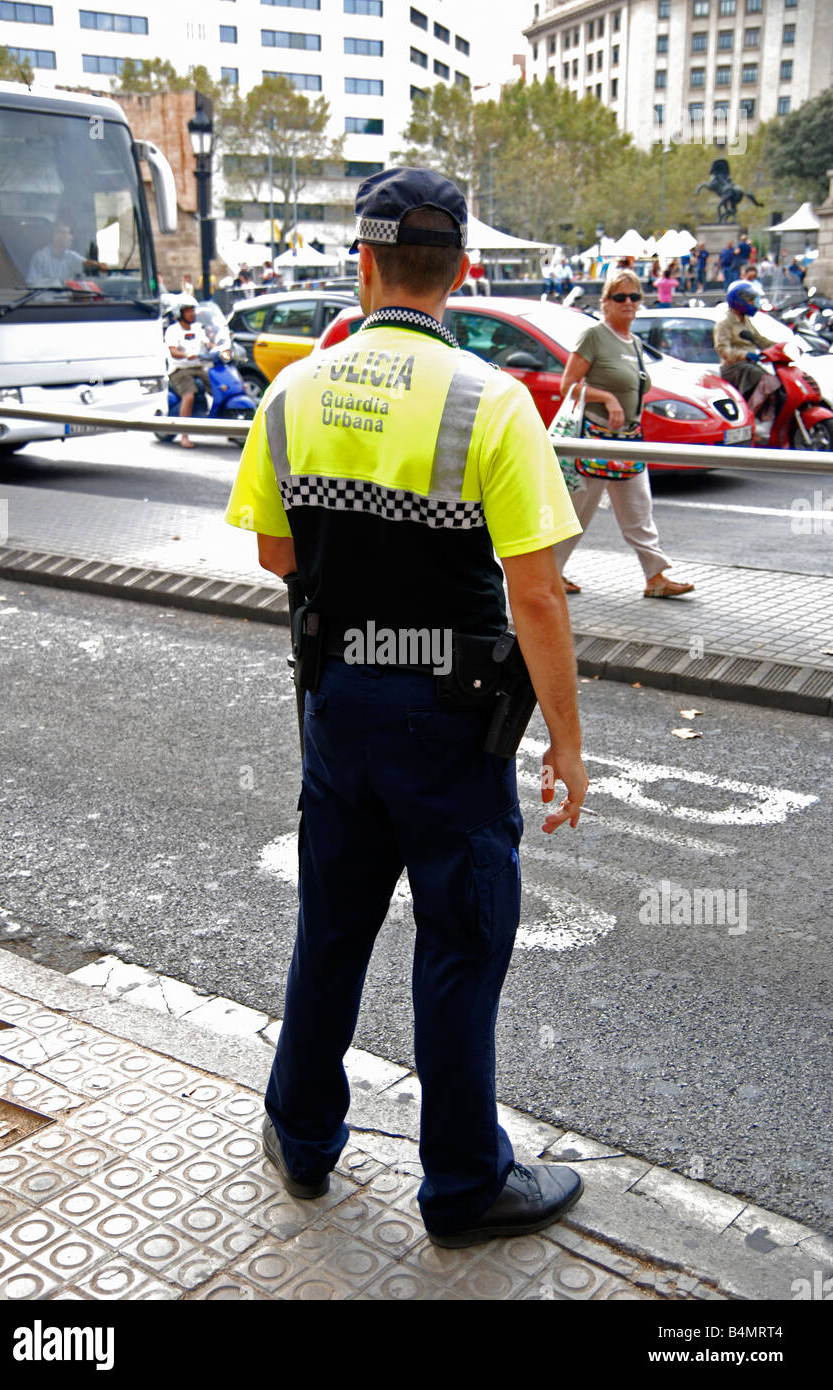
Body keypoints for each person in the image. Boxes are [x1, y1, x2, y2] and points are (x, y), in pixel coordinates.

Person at [225, 166, 588, 1249]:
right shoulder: (495, 404)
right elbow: (535, 591)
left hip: (338, 704)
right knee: (461, 942)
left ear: (365, 262)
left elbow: (275, 550)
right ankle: (465, 1186)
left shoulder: (295, 392)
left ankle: (299, 1134)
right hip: (452, 722)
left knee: (330, 924)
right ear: (463, 272)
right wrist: (568, 740)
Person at [553, 269, 695, 600]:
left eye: (634, 297)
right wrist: (608, 398)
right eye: (620, 297)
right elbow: (567, 387)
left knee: (639, 508)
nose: (628, 303)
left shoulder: (634, 343)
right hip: (594, 441)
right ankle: (550, 573)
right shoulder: (594, 336)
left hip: (627, 441)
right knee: (577, 512)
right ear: (605, 303)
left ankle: (656, 577)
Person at [713, 278, 778, 420]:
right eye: (751, 300)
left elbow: (759, 340)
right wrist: (745, 354)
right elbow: (723, 349)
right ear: (738, 301)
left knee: (776, 384)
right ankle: (750, 415)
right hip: (734, 368)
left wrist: (780, 347)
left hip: (748, 365)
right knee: (768, 382)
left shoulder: (746, 320)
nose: (754, 304)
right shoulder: (725, 323)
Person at [164, 294, 211, 449]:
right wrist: (185, 355)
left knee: (218, 387)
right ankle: (184, 436)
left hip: (198, 367)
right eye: (189, 311)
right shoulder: (172, 330)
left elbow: (208, 343)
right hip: (180, 370)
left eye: (193, 311)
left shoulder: (198, 329)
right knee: (189, 395)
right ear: (180, 313)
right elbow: (173, 351)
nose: (192, 314)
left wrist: (219, 347)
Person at [26, 221, 106, 284]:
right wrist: (58, 283)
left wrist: (99, 266)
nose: (71, 238)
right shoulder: (40, 257)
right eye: (66, 233)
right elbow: (31, 283)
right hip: (45, 302)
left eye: (71, 234)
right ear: (55, 235)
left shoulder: (71, 256)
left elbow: (85, 264)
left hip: (67, 302)